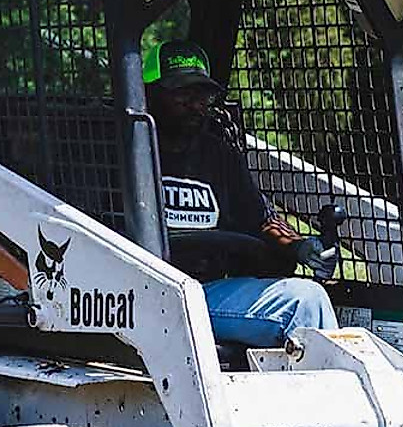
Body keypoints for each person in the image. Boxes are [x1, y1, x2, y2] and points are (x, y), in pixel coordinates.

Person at [143, 39, 338, 348]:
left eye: (203, 95)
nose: (196, 104)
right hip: (143, 296)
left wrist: (300, 247)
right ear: (150, 94)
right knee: (304, 303)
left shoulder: (218, 155)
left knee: (306, 294)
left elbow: (261, 220)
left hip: (208, 290)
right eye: (183, 94)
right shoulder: (121, 154)